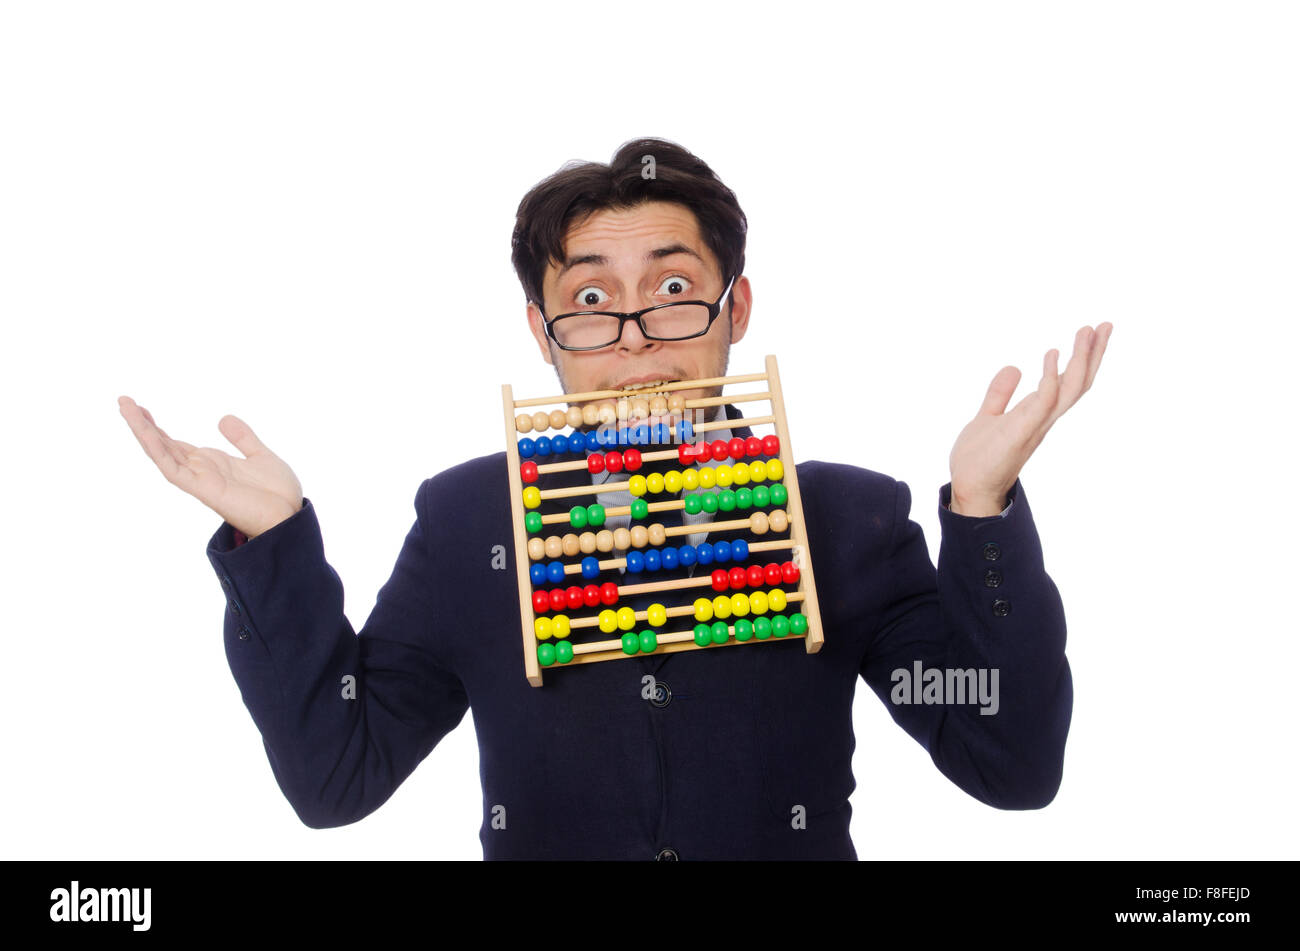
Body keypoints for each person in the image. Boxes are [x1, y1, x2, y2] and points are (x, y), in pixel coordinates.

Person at [118, 138, 1112, 860]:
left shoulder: (845, 522)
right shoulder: (471, 526)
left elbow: (1011, 764)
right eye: (589, 302)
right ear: (541, 333)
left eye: (674, 289)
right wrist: (276, 548)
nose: (635, 336)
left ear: (737, 310)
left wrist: (981, 515)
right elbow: (338, 780)